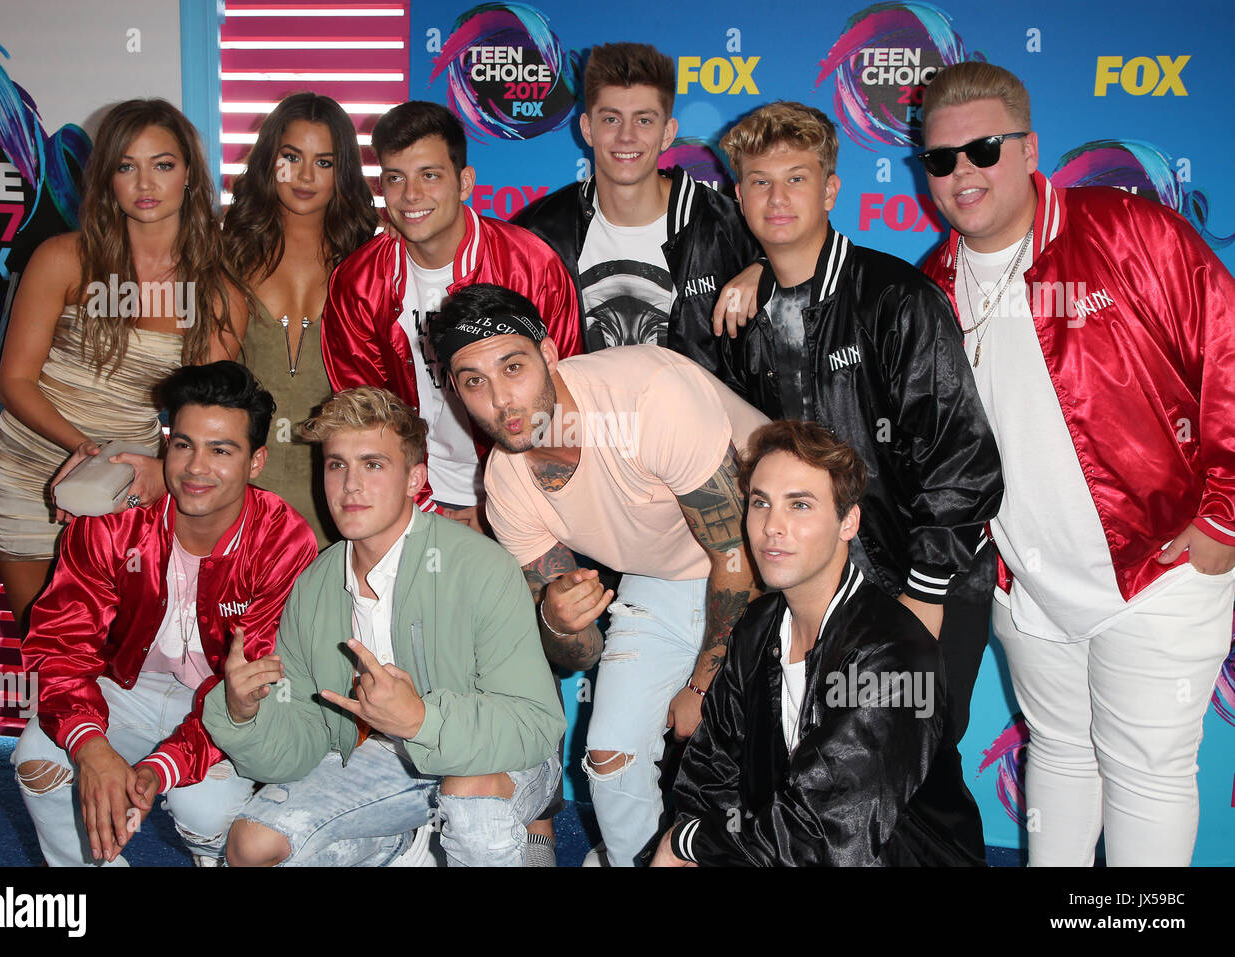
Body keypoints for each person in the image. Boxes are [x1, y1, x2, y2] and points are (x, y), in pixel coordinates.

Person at [918, 61, 1235, 866]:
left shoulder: (1132, 232)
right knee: (1057, 752)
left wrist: (1225, 514)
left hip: (1156, 572)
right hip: (1027, 587)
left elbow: (1227, 358)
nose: (963, 173)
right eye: (941, 158)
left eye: (984, 149)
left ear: (1030, 150)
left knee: (1148, 773)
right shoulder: (932, 282)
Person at [428, 282, 768, 866]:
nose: (502, 400)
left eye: (513, 367)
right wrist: (556, 620)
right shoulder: (507, 487)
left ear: (550, 353)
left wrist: (701, 684)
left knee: (762, 764)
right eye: (474, 382)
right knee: (610, 758)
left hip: (774, 571)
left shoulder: (648, 400)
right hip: (661, 579)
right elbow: (578, 655)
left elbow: (738, 556)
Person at [715, 101, 1003, 742]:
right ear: (740, 195)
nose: (778, 197)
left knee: (913, 771)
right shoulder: (740, 318)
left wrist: (924, 597)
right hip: (809, 583)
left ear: (832, 189)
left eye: (797, 178)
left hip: (920, 576)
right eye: (761, 181)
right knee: (817, 764)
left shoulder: (895, 298)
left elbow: (961, 458)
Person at [203, 385, 564, 866]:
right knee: (254, 846)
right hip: (389, 763)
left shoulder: (480, 565)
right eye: (337, 465)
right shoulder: (313, 585)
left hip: (495, 759)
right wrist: (245, 716)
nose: (351, 485)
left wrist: (420, 720)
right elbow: (305, 742)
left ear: (415, 478)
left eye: (373, 464)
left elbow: (534, 724)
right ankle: (404, 845)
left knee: (472, 806)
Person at [10, 361, 317, 866]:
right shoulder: (111, 523)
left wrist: (158, 770)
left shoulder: (282, 540)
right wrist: (91, 747)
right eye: (183, 444)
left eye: (221, 450)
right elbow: (61, 643)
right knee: (40, 764)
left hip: (221, 703)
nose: (197, 467)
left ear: (256, 461)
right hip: (125, 688)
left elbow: (253, 685)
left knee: (207, 813)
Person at [649, 421, 986, 866]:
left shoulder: (896, 658)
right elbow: (712, 769)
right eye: (760, 503)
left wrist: (687, 843)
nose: (773, 527)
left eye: (800, 505)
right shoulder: (757, 626)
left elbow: (824, 837)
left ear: (848, 522)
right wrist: (691, 837)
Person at [0, 98, 248, 630]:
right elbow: (14, 381)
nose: (145, 182)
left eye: (163, 164)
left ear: (190, 177)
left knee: (118, 654)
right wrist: (82, 448)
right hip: (26, 475)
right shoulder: (63, 258)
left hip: (128, 485)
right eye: (126, 166)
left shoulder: (218, 295)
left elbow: (204, 418)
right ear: (107, 178)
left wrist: (153, 470)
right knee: (46, 650)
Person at [321, 100, 582, 530]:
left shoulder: (530, 265)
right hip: (410, 499)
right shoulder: (359, 281)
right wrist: (422, 508)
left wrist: (505, 504)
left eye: (429, 175)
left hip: (527, 493)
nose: (411, 196)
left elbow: (563, 398)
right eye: (395, 178)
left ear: (464, 182)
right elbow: (365, 414)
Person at [513, 41, 759, 367]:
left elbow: (810, 279)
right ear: (587, 128)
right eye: (611, 119)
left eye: (643, 120)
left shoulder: (726, 225)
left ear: (668, 133)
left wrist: (767, 268)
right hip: (580, 417)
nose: (626, 137)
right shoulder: (540, 230)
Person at [225, 92, 380, 550]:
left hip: (343, 488)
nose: (306, 176)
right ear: (269, 161)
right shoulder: (227, 256)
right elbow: (210, 388)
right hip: (248, 484)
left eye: (325, 162)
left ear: (344, 172)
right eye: (292, 157)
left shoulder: (370, 261)